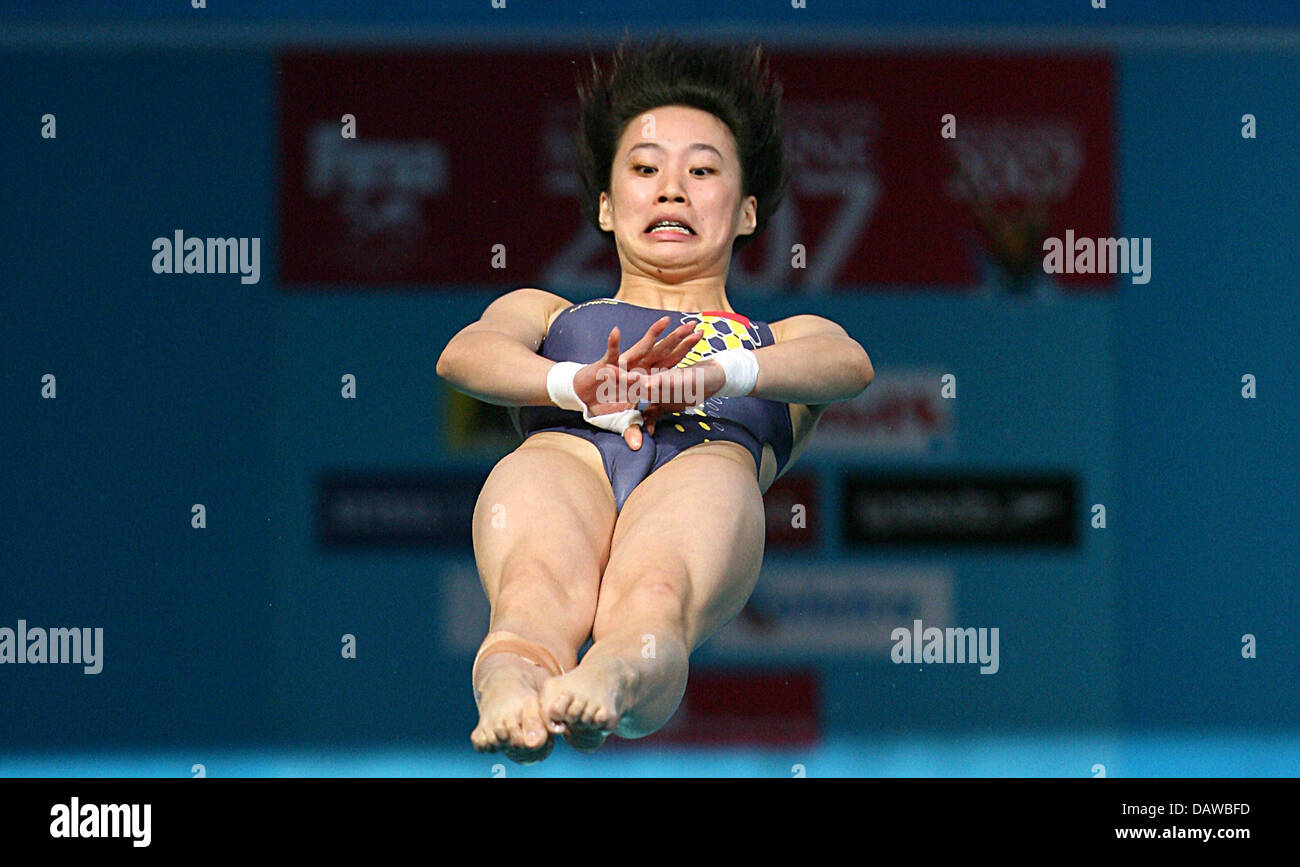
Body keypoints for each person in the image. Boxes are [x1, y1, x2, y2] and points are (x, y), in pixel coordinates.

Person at [436, 36, 874, 764]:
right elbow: (465, 355)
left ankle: (609, 678)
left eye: (703, 170)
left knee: (653, 598)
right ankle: (512, 687)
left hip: (702, 471)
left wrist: (718, 374)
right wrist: (573, 384)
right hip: (564, 460)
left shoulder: (779, 336)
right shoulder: (547, 313)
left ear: (747, 214)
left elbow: (848, 364)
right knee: (533, 590)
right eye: (645, 169)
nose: (672, 189)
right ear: (607, 207)